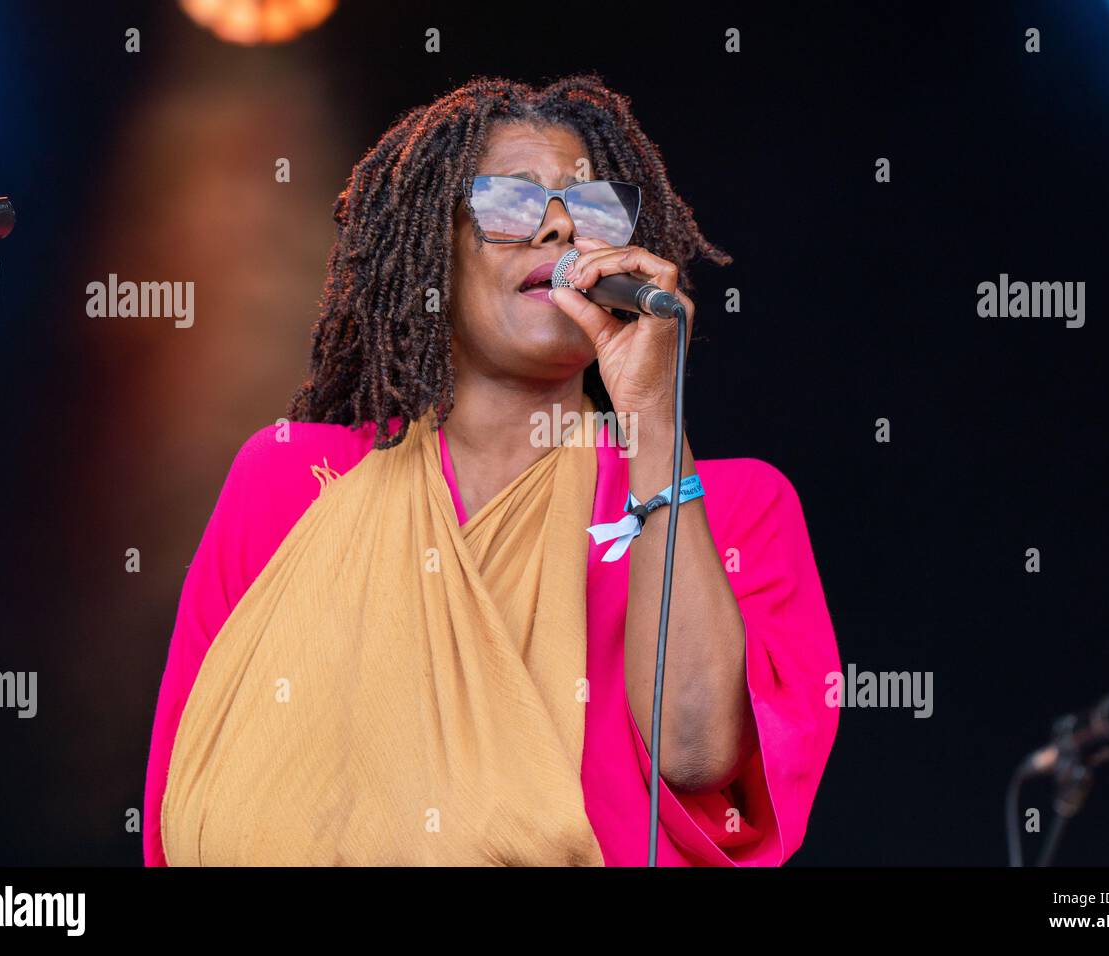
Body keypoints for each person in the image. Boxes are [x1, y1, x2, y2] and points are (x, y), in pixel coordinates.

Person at [143, 73, 840, 866]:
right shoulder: (288, 479)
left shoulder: (738, 505)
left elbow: (694, 754)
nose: (557, 232)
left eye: (591, 210)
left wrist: (651, 415)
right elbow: (186, 784)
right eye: (510, 205)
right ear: (435, 249)